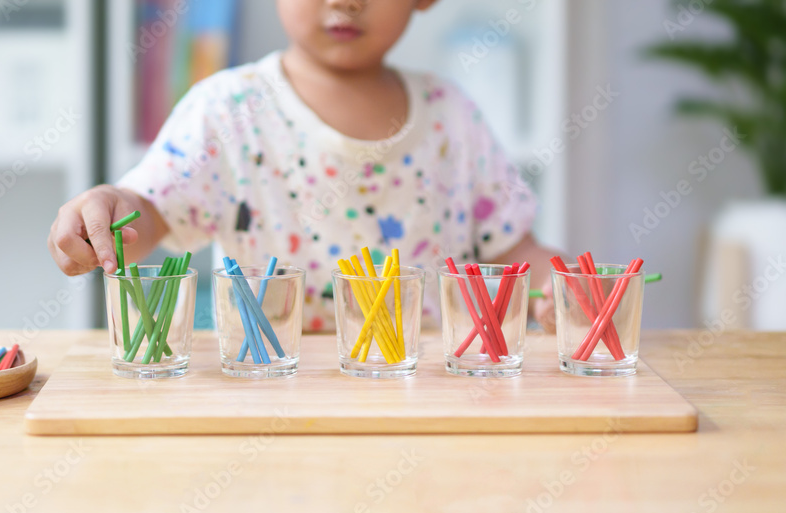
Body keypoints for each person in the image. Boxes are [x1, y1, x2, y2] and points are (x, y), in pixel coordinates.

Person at [48, 0, 559, 332]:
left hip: (425, 399)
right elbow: (151, 212)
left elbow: (515, 251)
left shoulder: (453, 116)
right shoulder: (226, 109)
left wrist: (558, 287)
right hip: (268, 396)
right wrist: (107, 213)